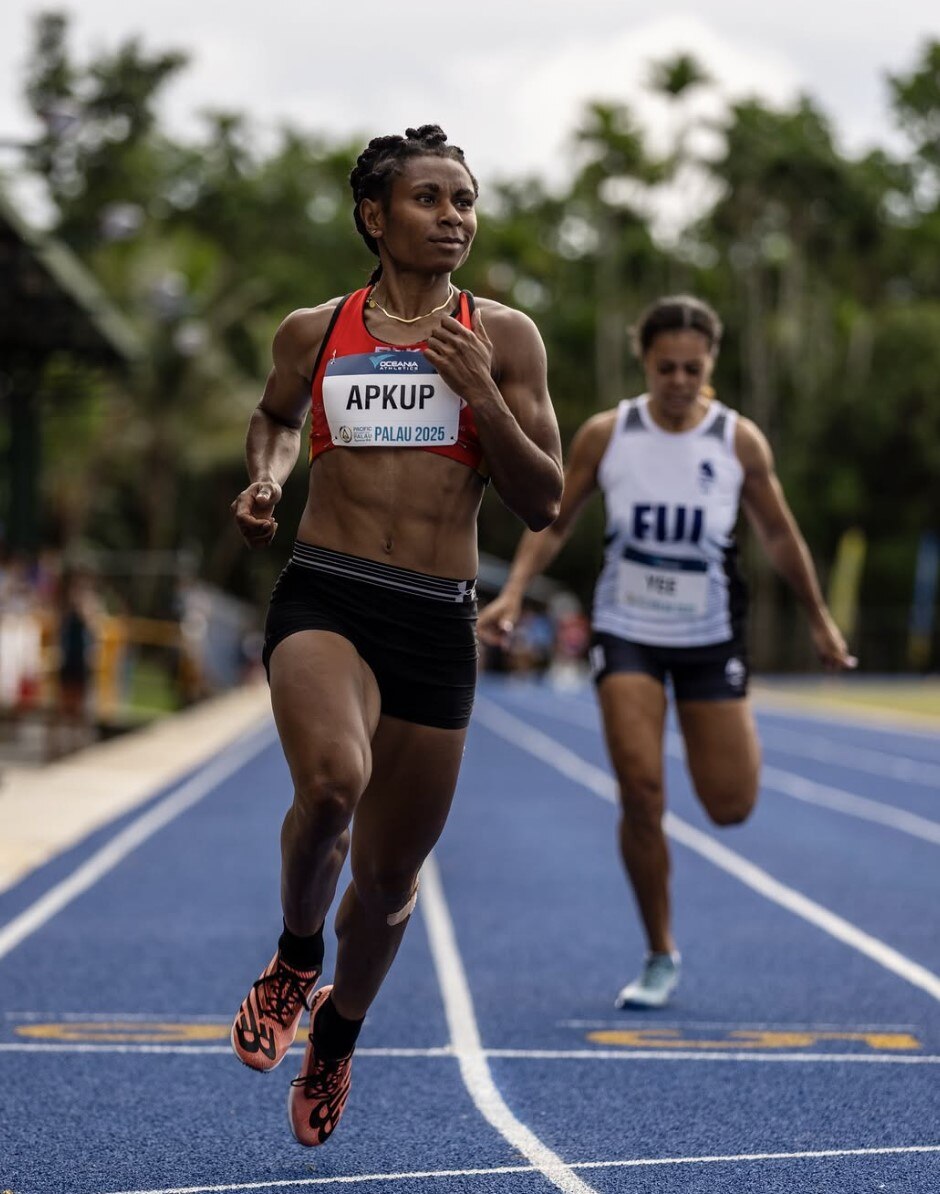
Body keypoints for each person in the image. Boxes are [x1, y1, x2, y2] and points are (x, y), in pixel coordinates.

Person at [229, 125, 562, 1146]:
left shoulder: (504, 337)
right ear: (374, 216)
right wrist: (268, 479)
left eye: (464, 200)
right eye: (429, 199)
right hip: (327, 591)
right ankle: (295, 959)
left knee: (383, 885)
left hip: (434, 615)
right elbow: (276, 416)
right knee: (331, 786)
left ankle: (338, 1034)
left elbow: (543, 498)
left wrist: (482, 395)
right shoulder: (315, 329)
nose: (453, 217)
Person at [478, 295, 856, 1010]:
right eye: (666, 368)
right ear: (644, 362)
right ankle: (659, 951)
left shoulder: (738, 441)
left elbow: (780, 534)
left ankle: (725, 738)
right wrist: (516, 591)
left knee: (731, 806)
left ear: (711, 365)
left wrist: (819, 620)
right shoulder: (608, 434)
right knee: (641, 791)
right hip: (628, 632)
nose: (679, 380)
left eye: (692, 368)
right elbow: (556, 521)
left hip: (710, 637)